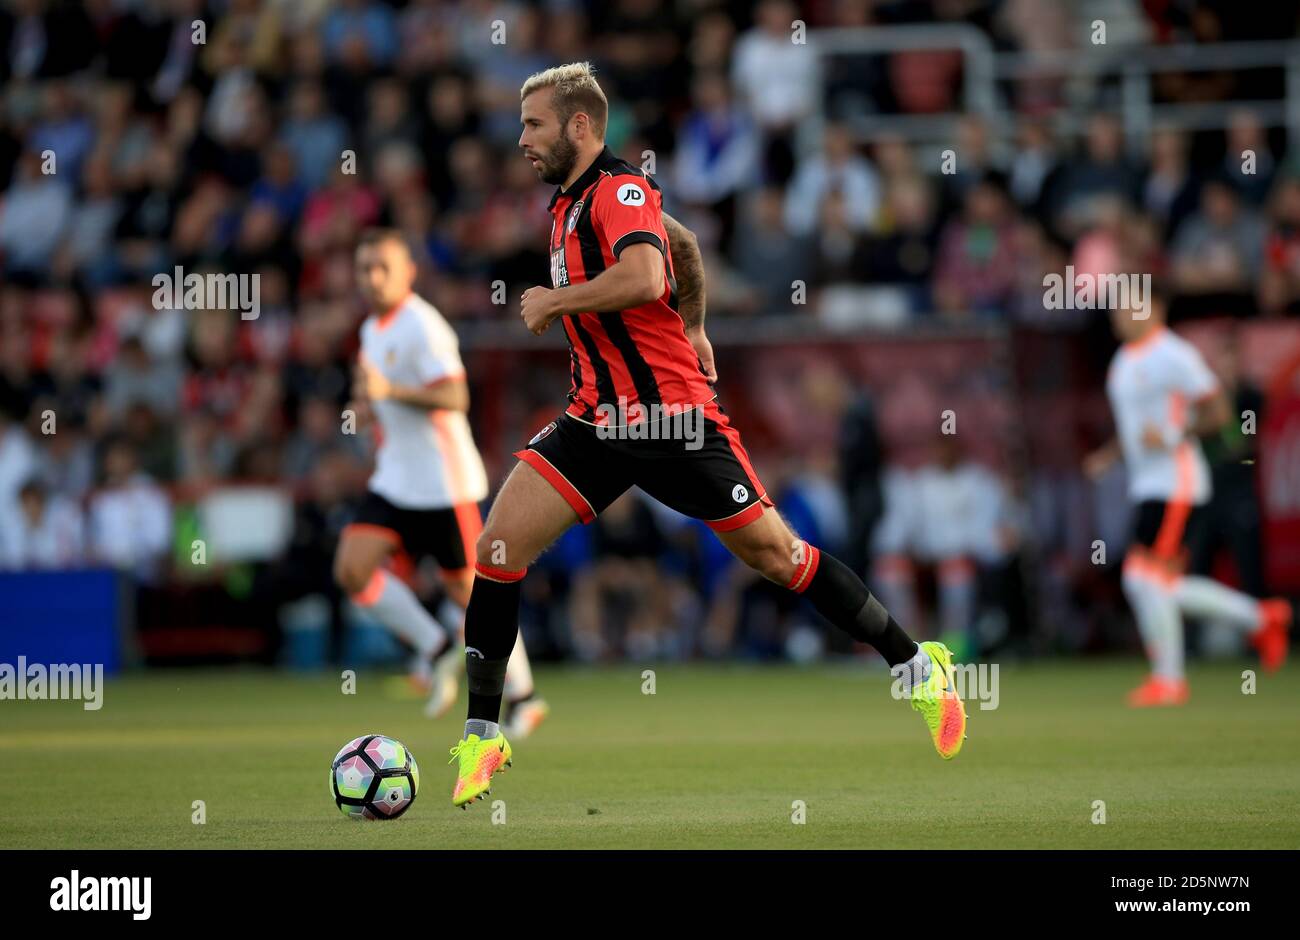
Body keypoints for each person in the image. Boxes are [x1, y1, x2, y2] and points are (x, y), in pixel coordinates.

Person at [447, 62, 967, 810]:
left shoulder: (619, 190)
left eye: (533, 124)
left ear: (580, 126)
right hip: (597, 419)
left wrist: (561, 301)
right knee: (496, 552)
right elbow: (684, 248)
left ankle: (919, 666)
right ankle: (483, 736)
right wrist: (694, 324)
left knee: (777, 556)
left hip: (671, 421)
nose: (521, 139)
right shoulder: (565, 204)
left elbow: (649, 274)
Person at [333, 229, 548, 736]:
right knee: (352, 570)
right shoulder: (372, 329)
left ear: (408, 271)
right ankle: (437, 648)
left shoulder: (424, 326)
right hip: (395, 481)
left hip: (443, 484)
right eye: (364, 268)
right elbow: (380, 398)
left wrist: (391, 391)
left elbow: (454, 397)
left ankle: (524, 695)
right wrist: (366, 409)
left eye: (382, 267)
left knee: (475, 597)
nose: (372, 278)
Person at [1084, 292, 1291, 706]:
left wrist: (1175, 437)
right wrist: (1108, 456)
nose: (1120, 317)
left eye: (1129, 307)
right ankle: (1262, 616)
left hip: (1176, 483)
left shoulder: (1174, 354)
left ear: (1155, 309)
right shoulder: (1124, 362)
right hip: (1147, 486)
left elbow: (1219, 414)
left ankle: (1170, 679)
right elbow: (1135, 429)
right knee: (1160, 584)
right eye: (1116, 311)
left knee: (1142, 579)